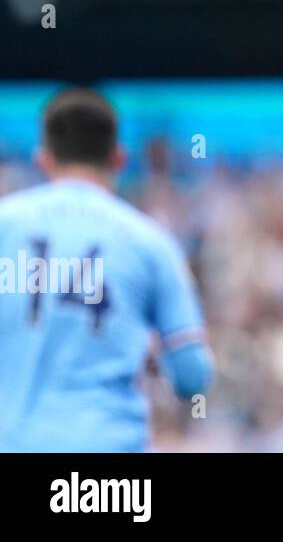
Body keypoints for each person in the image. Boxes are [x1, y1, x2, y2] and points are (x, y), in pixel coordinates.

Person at [0, 87, 212, 452]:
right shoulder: (150, 242)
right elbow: (192, 376)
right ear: (119, 158)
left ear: (43, 159)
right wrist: (151, 352)